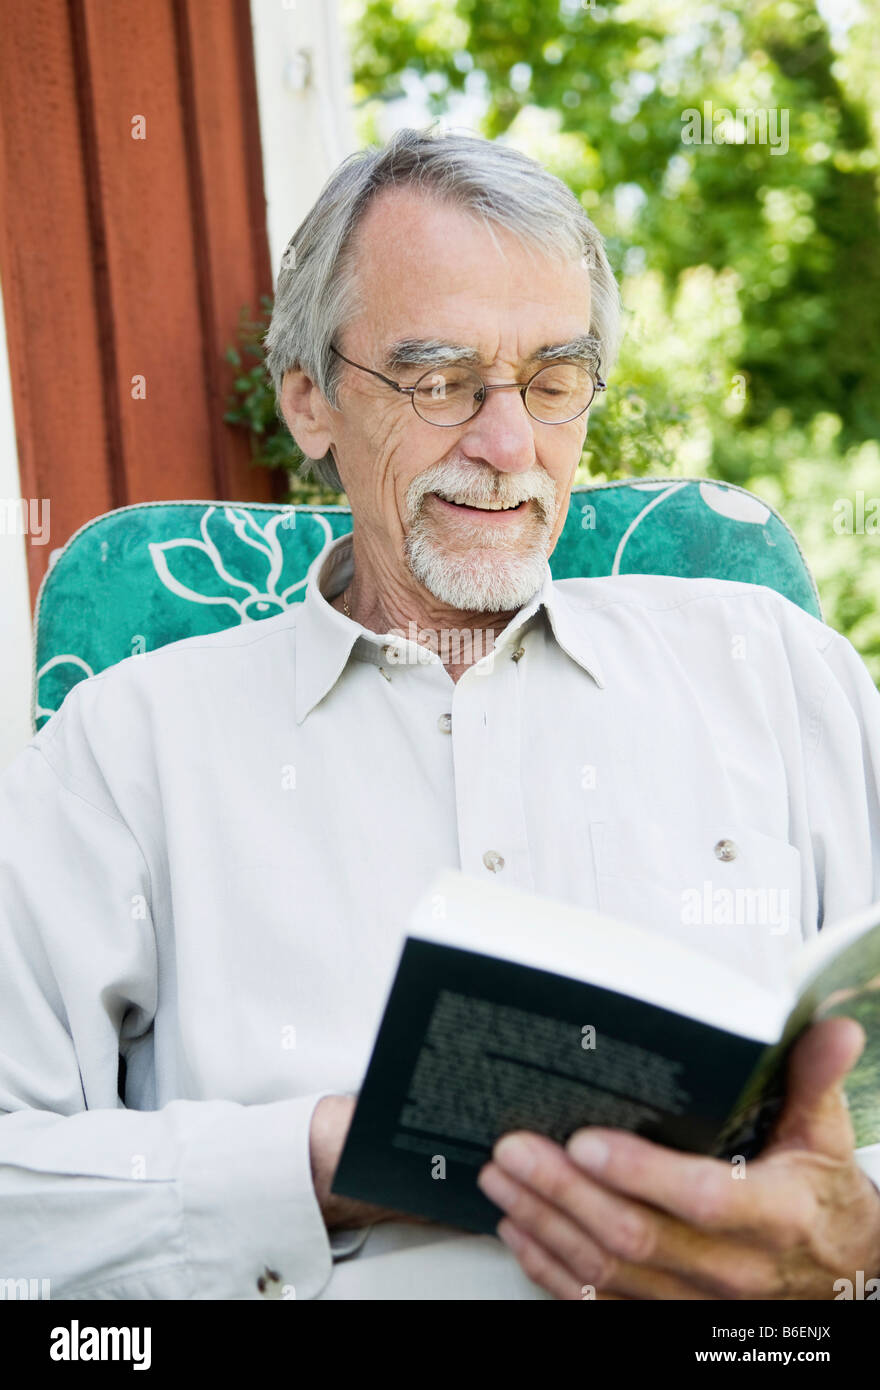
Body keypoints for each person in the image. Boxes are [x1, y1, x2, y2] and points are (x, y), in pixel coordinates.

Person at [1, 126, 878, 1301]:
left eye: (552, 383)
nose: (507, 445)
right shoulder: (126, 745)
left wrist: (853, 1237)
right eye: (438, 381)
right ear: (311, 402)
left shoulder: (770, 669)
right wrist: (332, 1157)